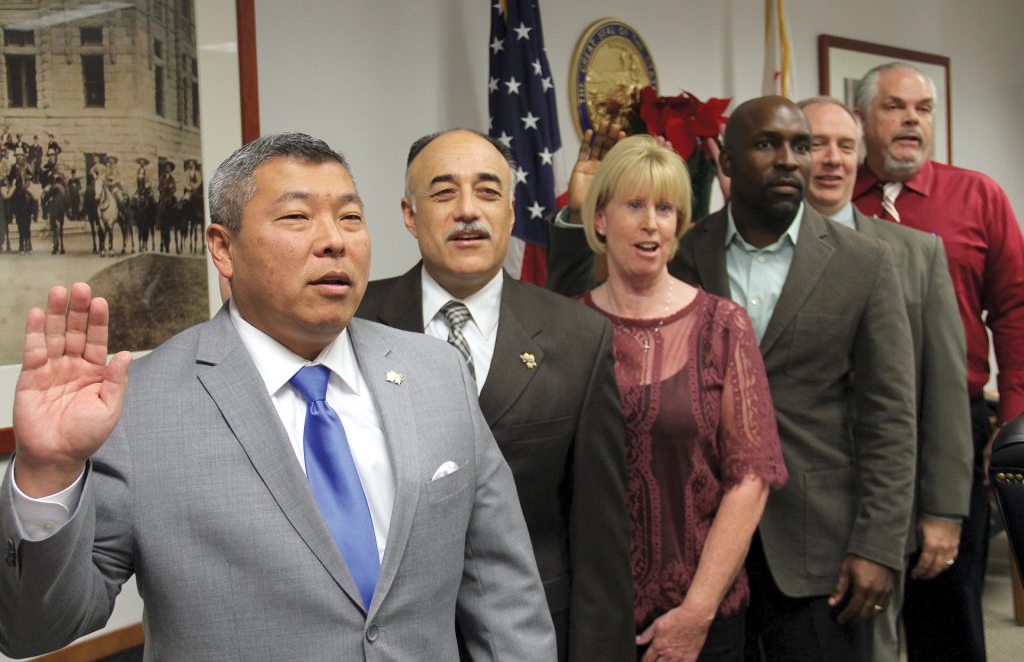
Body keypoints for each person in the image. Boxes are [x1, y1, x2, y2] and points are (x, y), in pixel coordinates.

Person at [0, 132, 556, 661]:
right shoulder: (140, 408)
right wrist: (48, 472)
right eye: (296, 217)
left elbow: (504, 590)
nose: (334, 239)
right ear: (223, 249)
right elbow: (32, 628)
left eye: (351, 217)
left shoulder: (436, 373)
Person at [547, 97, 917, 661]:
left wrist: (880, 542)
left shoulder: (858, 263)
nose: (651, 222)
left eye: (802, 146)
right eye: (768, 145)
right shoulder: (692, 250)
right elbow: (570, 309)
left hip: (804, 548)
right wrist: (576, 216)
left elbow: (890, 413)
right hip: (613, 588)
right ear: (728, 164)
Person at [356, 128, 634, 662]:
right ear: (410, 215)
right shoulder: (354, 324)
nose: (467, 210)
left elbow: (599, 534)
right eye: (443, 193)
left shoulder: (578, 337)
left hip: (530, 633)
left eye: (486, 193)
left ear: (510, 211)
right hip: (387, 636)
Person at [575, 133, 787, 662]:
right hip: (593, 617)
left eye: (666, 208)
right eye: (635, 205)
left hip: (703, 618)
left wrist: (695, 614)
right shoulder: (567, 327)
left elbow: (751, 478)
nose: (652, 222)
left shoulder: (723, 325)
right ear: (600, 219)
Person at [851, 63, 1024, 662]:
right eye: (894, 107)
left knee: (947, 596)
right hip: (852, 429)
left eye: (922, 110)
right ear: (862, 119)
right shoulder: (829, 202)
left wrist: (1014, 424)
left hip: (952, 425)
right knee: (849, 601)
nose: (910, 122)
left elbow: (1015, 310)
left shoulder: (977, 195)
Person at [799, 96, 972, 661]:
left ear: (861, 157)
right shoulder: (750, 255)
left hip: (883, 505)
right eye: (814, 145)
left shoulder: (916, 253)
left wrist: (943, 509)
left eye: (845, 146)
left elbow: (945, 390)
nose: (831, 160)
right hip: (786, 513)